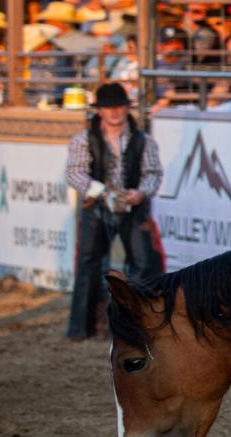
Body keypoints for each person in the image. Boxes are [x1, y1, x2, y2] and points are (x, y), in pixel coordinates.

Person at [64, 81, 161, 339]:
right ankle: (81, 328)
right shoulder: (83, 140)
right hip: (96, 208)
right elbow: (74, 174)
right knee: (89, 264)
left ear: (126, 108)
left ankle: (139, 325)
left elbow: (153, 174)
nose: (115, 112)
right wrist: (103, 192)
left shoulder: (144, 141)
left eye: (118, 107)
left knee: (142, 264)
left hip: (133, 207)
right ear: (100, 111)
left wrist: (139, 193)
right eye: (109, 108)